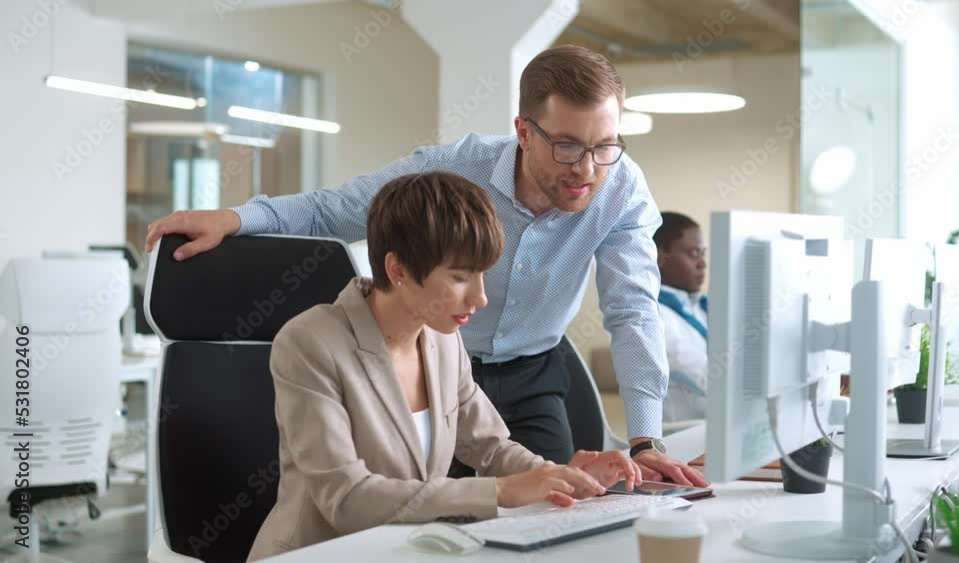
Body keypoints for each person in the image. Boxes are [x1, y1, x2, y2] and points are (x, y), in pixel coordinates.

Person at [146, 45, 707, 486]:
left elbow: (633, 310)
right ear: (522, 131)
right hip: (436, 364)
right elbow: (332, 209)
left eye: (605, 146)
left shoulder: (623, 190)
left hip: (535, 369)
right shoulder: (452, 171)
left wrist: (646, 441)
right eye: (566, 146)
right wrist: (237, 218)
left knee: (554, 508)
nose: (586, 168)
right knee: (438, 523)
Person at [247, 172, 641, 560]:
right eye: (459, 277)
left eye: (482, 275)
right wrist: (501, 491)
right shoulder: (310, 342)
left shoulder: (442, 338)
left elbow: (489, 446)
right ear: (398, 269)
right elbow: (347, 499)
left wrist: (561, 477)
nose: (480, 297)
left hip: (406, 550)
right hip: (320, 554)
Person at [652, 212, 708, 422]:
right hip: (684, 440)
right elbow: (712, 378)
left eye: (703, 253)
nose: (702, 263)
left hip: (717, 431)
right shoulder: (652, 317)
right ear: (660, 257)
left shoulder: (699, 307)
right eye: (694, 254)